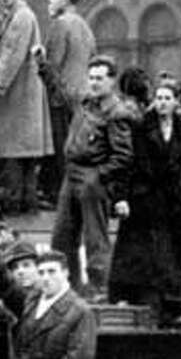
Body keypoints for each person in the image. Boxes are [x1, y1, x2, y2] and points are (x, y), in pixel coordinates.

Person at [107, 78, 181, 319]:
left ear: (175, 102)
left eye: (167, 98)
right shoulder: (142, 128)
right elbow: (127, 165)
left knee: (168, 256)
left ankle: (168, 306)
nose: (163, 103)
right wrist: (121, 197)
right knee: (137, 254)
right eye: (159, 98)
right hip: (144, 200)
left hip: (173, 203)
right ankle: (132, 299)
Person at [50, 55, 134, 299]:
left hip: (93, 177)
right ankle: (69, 288)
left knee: (95, 237)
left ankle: (99, 290)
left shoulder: (117, 113)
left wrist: (98, 176)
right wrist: (45, 67)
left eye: (99, 78)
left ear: (111, 81)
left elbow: (123, 156)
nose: (94, 83)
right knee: (63, 235)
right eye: (91, 78)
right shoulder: (85, 103)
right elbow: (61, 91)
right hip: (72, 173)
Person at [0, 0, 53, 213]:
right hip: (20, 98)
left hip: (16, 98)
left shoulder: (21, 18)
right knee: (23, 160)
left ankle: (16, 211)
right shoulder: (16, 16)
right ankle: (26, 208)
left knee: (12, 159)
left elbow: (11, 55)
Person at [37, 0, 95, 203]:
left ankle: (60, 196)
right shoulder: (85, 27)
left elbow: (52, 68)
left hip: (61, 98)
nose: (49, 1)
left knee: (61, 148)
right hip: (82, 97)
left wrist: (38, 60)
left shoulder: (61, 24)